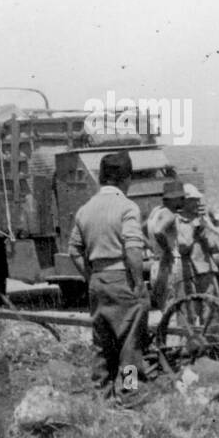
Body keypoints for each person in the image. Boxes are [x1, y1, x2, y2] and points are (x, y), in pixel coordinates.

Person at [68, 151, 150, 400]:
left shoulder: (85, 209)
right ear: (126, 179)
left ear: (101, 178)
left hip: (97, 280)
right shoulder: (127, 207)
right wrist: (139, 285)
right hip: (121, 279)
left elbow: (73, 250)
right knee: (130, 343)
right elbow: (133, 250)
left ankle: (100, 395)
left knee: (102, 343)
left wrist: (90, 276)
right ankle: (129, 394)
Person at [145, 180, 184, 308]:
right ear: (174, 199)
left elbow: (142, 229)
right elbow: (158, 231)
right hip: (169, 263)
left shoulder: (155, 212)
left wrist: (151, 245)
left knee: (164, 305)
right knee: (175, 304)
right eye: (181, 198)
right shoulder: (170, 214)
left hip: (155, 263)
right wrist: (167, 250)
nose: (183, 201)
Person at [176, 184, 219, 297]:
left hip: (205, 268)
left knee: (210, 307)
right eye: (193, 200)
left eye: (198, 200)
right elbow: (183, 248)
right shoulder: (177, 221)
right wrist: (193, 230)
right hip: (187, 272)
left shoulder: (203, 219)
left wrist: (205, 231)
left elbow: (216, 245)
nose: (197, 203)